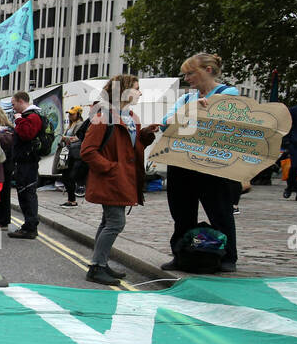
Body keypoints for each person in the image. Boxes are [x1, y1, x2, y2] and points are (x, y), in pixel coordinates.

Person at [161, 52, 241, 272]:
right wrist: (191, 110)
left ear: (207, 70)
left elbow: (222, 119)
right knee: (182, 213)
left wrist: (191, 114)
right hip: (181, 162)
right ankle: (181, 255)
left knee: (220, 212)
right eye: (185, 74)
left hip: (212, 164)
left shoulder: (228, 93)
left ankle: (228, 257)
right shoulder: (186, 99)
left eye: (190, 73)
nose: (187, 78)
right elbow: (164, 123)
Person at [80, 75, 158, 285]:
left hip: (123, 179)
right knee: (116, 222)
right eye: (136, 88)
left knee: (108, 221)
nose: (140, 92)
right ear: (123, 91)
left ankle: (101, 263)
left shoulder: (131, 116)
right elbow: (87, 151)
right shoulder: (103, 114)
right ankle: (96, 267)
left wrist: (145, 135)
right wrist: (111, 168)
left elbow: (128, 147)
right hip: (113, 179)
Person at [6, 91, 44, 239]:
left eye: (14, 104)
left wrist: (19, 120)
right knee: (24, 193)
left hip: (28, 162)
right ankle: (28, 225)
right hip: (25, 161)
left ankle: (30, 227)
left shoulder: (32, 116)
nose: (13, 108)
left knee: (27, 193)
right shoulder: (30, 116)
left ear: (21, 101)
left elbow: (27, 134)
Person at [59, 105, 88, 207]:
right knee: (65, 176)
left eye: (72, 114)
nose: (70, 116)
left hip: (75, 154)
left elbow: (78, 138)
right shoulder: (71, 125)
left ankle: (72, 200)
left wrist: (65, 138)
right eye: (69, 114)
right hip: (68, 153)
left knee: (70, 176)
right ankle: (71, 199)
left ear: (78, 114)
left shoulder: (80, 124)